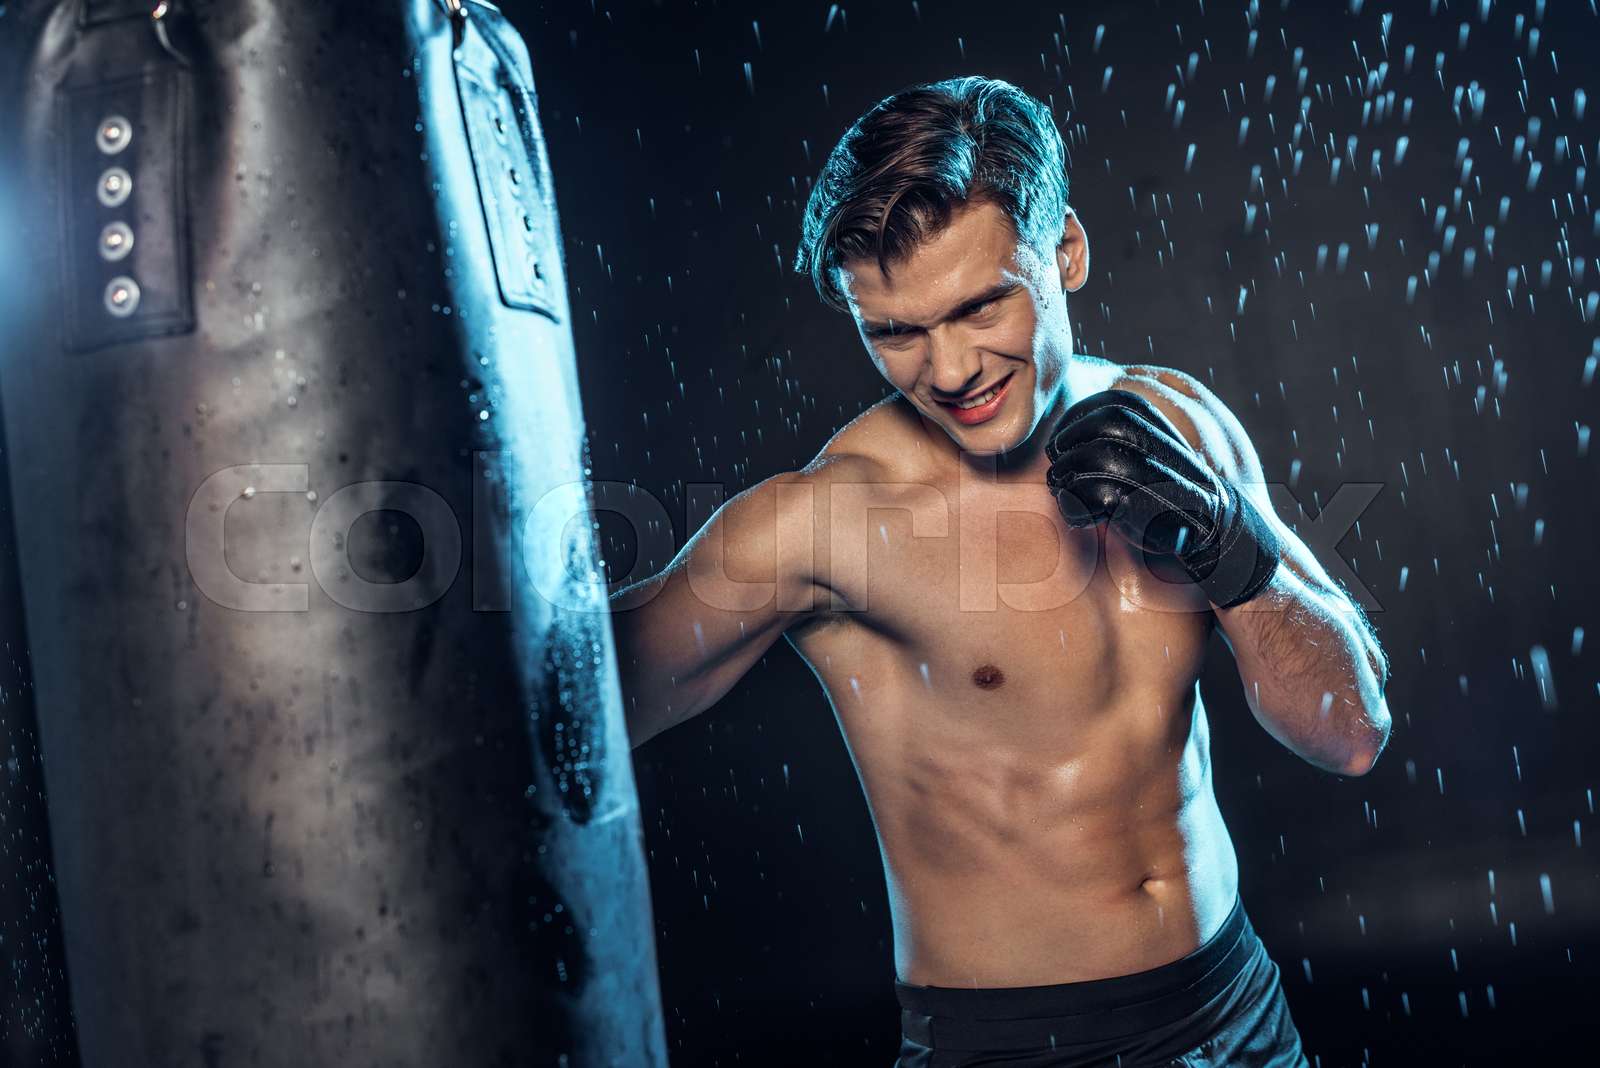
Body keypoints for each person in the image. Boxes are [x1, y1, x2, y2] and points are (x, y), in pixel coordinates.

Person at [609, 76, 1390, 1067]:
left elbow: (1349, 734)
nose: (947, 369)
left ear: (1063, 251)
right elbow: (552, 721)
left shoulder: (1179, 422)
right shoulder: (822, 522)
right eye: (894, 332)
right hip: (1013, 1048)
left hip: (1235, 1010)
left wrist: (1228, 544)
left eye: (980, 306)